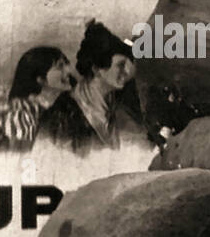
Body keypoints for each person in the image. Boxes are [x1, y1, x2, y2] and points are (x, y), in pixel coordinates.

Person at [41, 21, 138, 153]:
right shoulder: (63, 115)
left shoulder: (112, 107)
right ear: (97, 69)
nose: (127, 71)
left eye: (127, 65)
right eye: (120, 65)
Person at [0, 46, 76, 153]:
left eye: (67, 63)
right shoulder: (20, 115)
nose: (68, 70)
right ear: (40, 79)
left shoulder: (59, 108)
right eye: (59, 66)